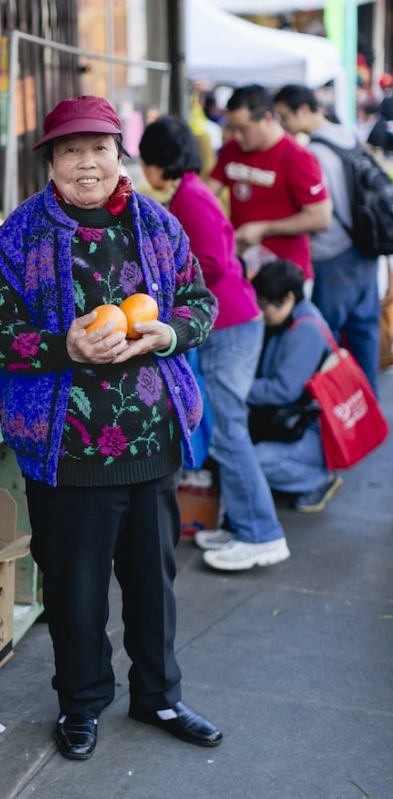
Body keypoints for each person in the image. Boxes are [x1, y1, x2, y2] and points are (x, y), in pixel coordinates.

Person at [0, 95, 222, 761]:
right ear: (51, 162)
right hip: (66, 448)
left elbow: (200, 303)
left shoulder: (158, 225)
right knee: (75, 589)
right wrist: (66, 347)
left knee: (152, 582)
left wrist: (167, 334)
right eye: (71, 151)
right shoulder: (20, 236)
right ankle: (81, 703)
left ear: (120, 156)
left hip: (150, 440)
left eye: (99, 149)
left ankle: (159, 695)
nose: (86, 163)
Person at [139, 115, 290, 571]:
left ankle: (262, 534)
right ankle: (243, 525)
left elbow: (211, 263)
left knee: (227, 429)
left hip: (230, 324)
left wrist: (163, 286)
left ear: (158, 162)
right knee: (225, 427)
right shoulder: (190, 192)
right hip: (230, 323)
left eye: (144, 161)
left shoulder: (192, 197)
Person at [273, 84, 380, 396]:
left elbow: (319, 215)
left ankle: (335, 407)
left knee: (325, 339)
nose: (283, 125)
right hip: (365, 250)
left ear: (303, 110)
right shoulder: (348, 136)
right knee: (364, 333)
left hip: (333, 255)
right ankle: (367, 405)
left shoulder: (314, 153)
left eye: (284, 116)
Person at [207, 84, 332, 279]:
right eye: (232, 128)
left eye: (243, 128)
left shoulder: (297, 157)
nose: (236, 136)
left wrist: (264, 229)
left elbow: (320, 217)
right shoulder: (232, 149)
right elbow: (207, 191)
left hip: (285, 273)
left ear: (267, 119)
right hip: (242, 266)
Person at [248, 259, 343, 512]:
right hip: (300, 424)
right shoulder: (294, 318)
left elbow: (283, 390)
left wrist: (237, 388)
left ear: (289, 298)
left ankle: (318, 479)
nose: (261, 312)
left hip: (312, 432)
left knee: (254, 461)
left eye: (265, 305)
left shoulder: (306, 331)